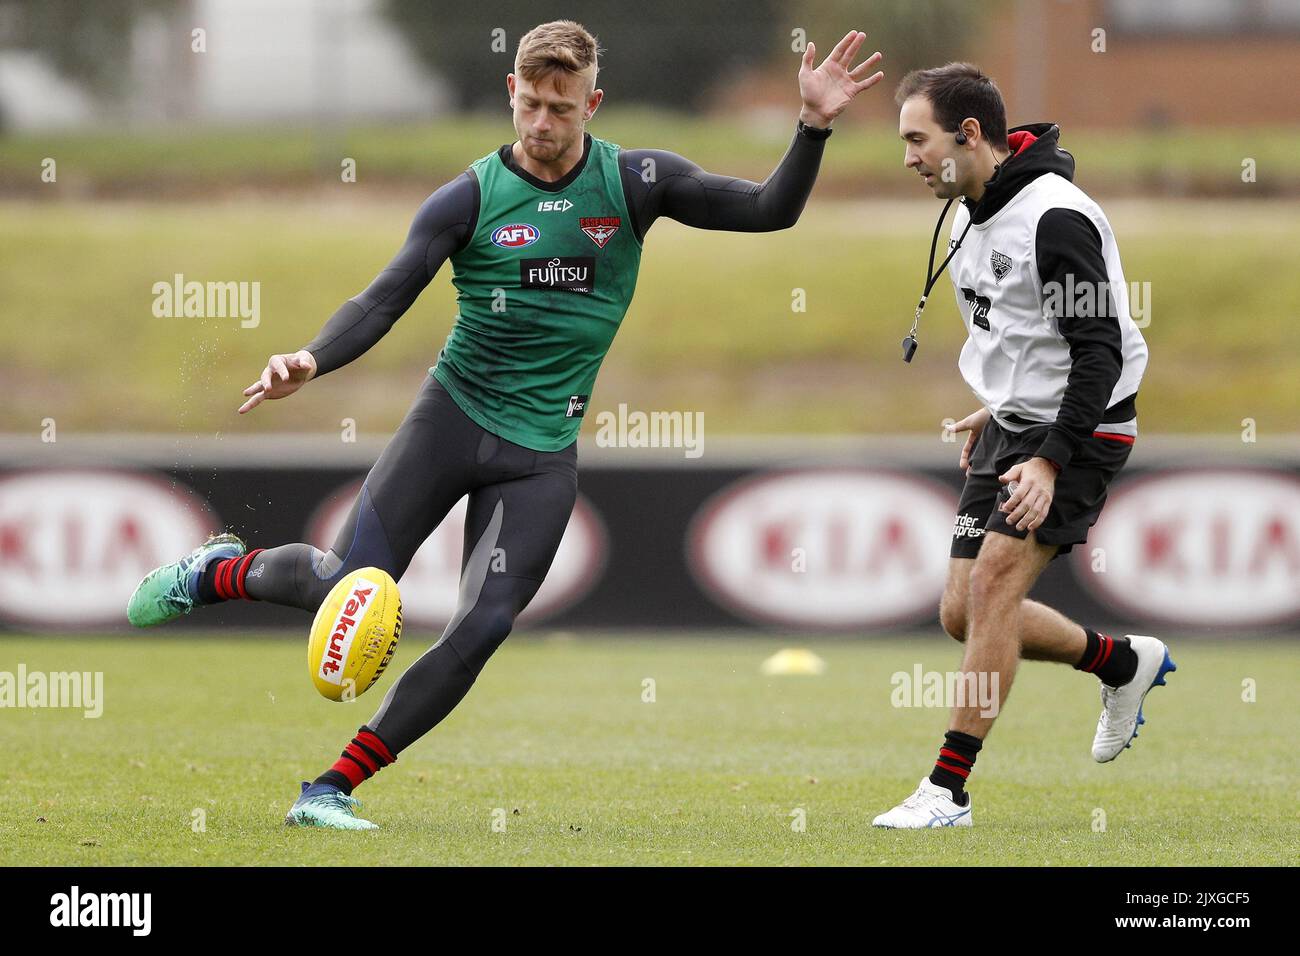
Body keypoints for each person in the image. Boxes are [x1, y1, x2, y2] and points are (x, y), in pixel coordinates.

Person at [126, 20, 885, 829]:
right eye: (529, 104)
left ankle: (330, 789)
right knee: (336, 586)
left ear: (592, 103)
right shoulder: (470, 196)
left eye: (561, 108)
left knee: (482, 626)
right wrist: (310, 359)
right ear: (510, 95)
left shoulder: (637, 182)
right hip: (448, 420)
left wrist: (812, 125)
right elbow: (384, 298)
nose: (541, 124)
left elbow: (771, 210)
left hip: (540, 454)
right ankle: (214, 573)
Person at [873, 63, 1173, 829]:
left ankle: (946, 792)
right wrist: (997, 408)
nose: (906, 155)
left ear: (969, 135)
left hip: (1084, 425)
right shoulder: (970, 204)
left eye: (917, 139)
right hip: (1016, 421)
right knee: (960, 611)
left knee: (995, 589)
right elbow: (1021, 326)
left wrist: (1048, 455)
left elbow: (1099, 351)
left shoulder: (1054, 217)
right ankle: (1120, 661)